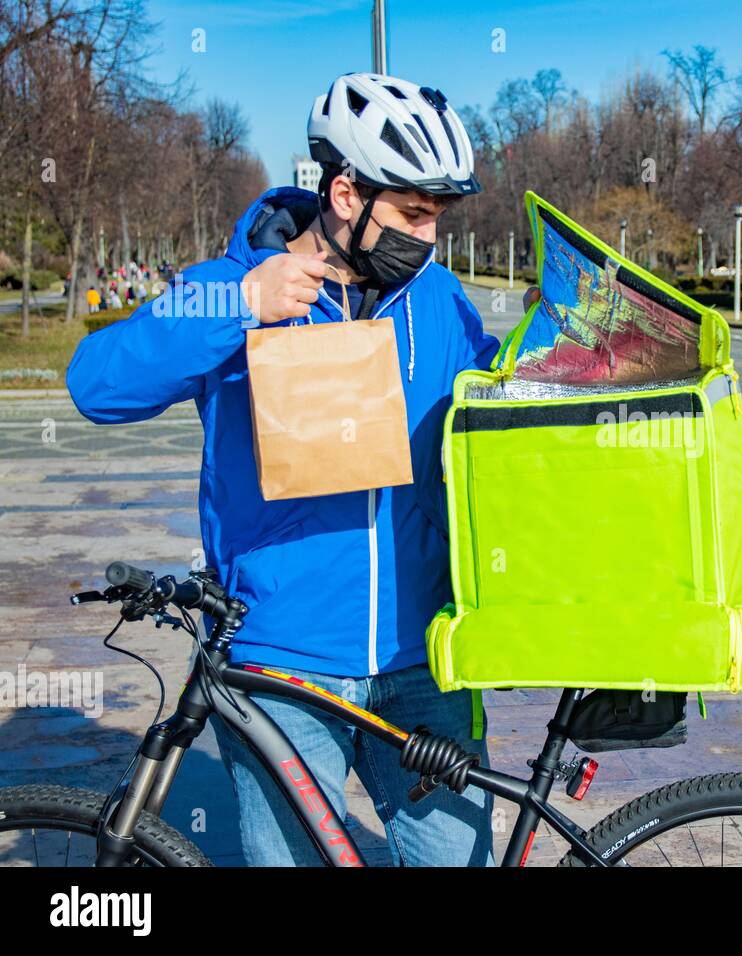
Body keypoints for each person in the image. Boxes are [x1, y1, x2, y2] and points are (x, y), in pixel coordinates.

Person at [66, 73, 513, 867]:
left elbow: (501, 416)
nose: (430, 236)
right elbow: (97, 385)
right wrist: (238, 304)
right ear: (346, 193)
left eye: (438, 216)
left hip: (427, 662)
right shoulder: (227, 288)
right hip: (282, 667)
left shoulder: (437, 298)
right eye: (414, 213)